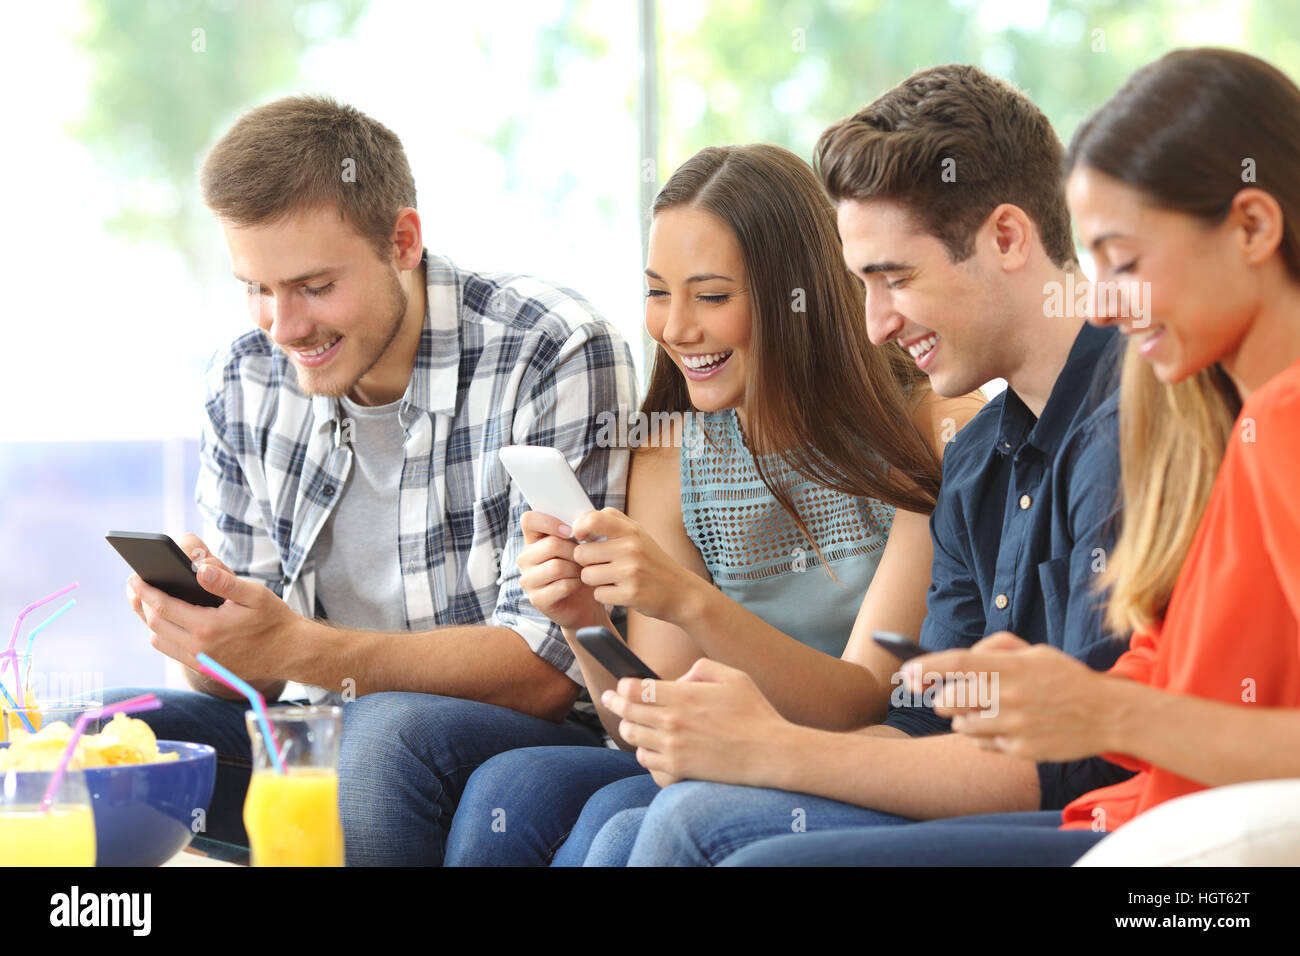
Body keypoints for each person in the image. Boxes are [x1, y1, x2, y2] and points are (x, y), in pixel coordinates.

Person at [722, 46, 1300, 866]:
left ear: (1252, 227)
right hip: (1132, 823)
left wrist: (1098, 713)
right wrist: (1068, 701)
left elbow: (1105, 742)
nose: (1100, 300)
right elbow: (1154, 677)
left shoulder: (1252, 421)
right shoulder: (1219, 422)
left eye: (1126, 264)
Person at [588, 63, 1135, 866]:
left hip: (1107, 828)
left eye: (896, 279)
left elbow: (1076, 762)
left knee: (697, 827)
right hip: (987, 795)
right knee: (648, 817)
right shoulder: (978, 457)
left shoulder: (1133, 424)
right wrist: (757, 745)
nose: (874, 325)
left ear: (1008, 239)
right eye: (861, 284)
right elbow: (914, 721)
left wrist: (774, 752)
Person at [104, 94, 638, 864]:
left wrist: (297, 648)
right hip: (315, 734)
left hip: (496, 740)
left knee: (379, 734)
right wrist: (199, 629)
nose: (284, 327)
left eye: (315, 287)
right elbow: (245, 681)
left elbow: (545, 670)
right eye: (257, 288)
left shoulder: (549, 349)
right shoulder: (246, 377)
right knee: (105, 729)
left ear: (404, 241)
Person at [442, 143, 986, 866]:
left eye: (711, 296)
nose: (673, 328)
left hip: (866, 758)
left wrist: (688, 600)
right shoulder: (673, 453)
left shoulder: (928, 429)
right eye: (658, 291)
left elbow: (860, 702)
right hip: (728, 757)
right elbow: (645, 722)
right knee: (517, 787)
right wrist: (582, 622)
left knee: (621, 826)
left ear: (800, 298)